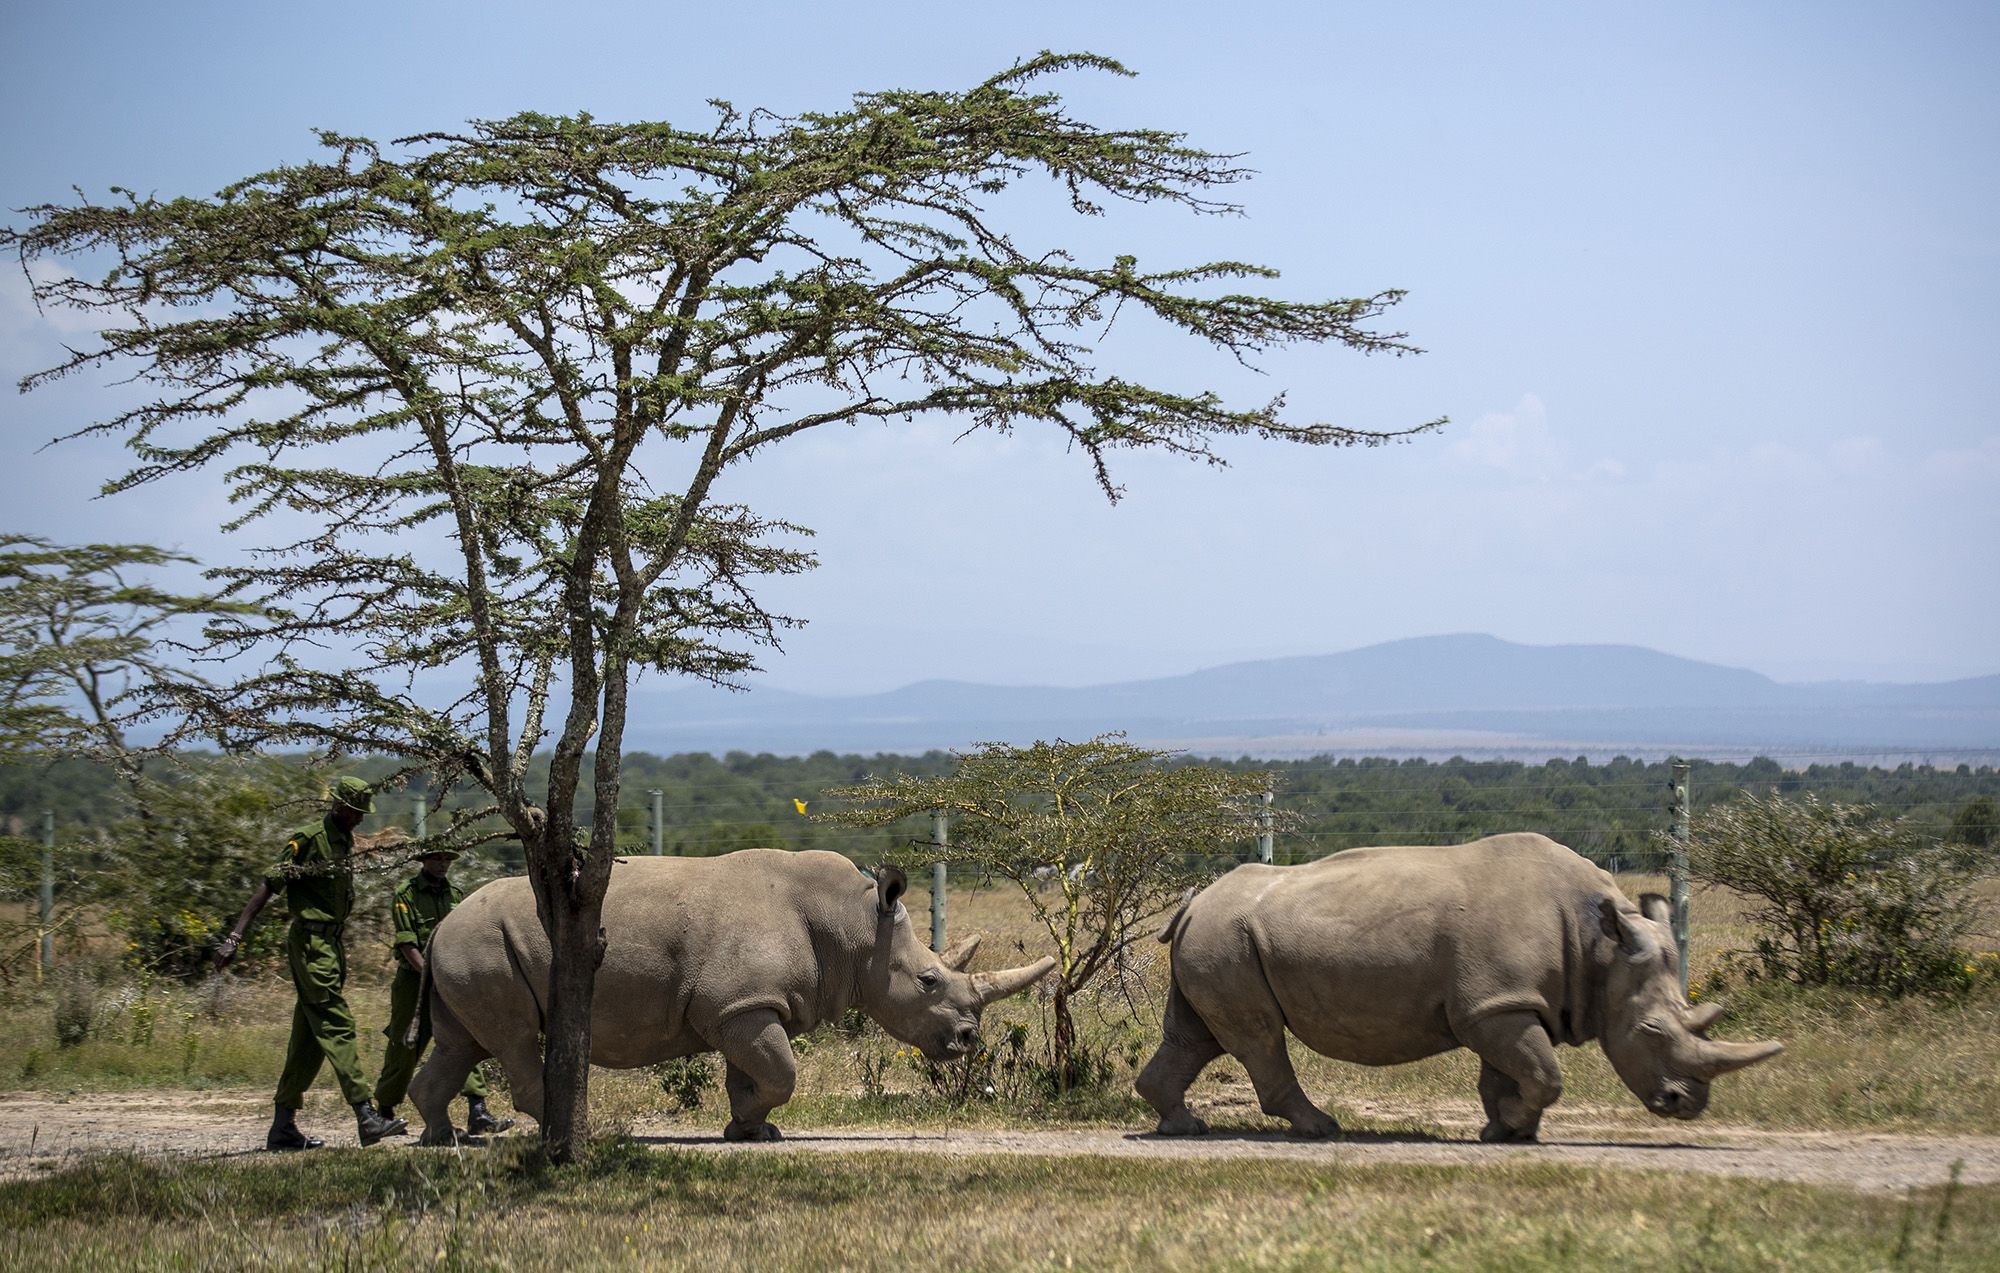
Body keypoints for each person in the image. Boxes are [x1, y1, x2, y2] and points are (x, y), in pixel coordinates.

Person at [214, 775, 406, 1151]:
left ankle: (283, 1126)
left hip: (331, 944)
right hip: (310, 944)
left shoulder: (345, 840)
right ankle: (366, 1116)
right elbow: (269, 885)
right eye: (354, 812)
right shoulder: (308, 839)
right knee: (337, 1024)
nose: (360, 819)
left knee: (309, 1037)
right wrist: (235, 937)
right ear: (337, 806)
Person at [371, 847, 512, 1137]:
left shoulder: (457, 895)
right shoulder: (407, 894)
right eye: (437, 858)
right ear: (423, 860)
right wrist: (430, 974)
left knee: (465, 1038)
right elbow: (406, 943)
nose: (443, 864)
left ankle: (478, 1110)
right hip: (415, 981)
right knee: (406, 1043)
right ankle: (384, 1111)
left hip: (452, 981)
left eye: (447, 859)